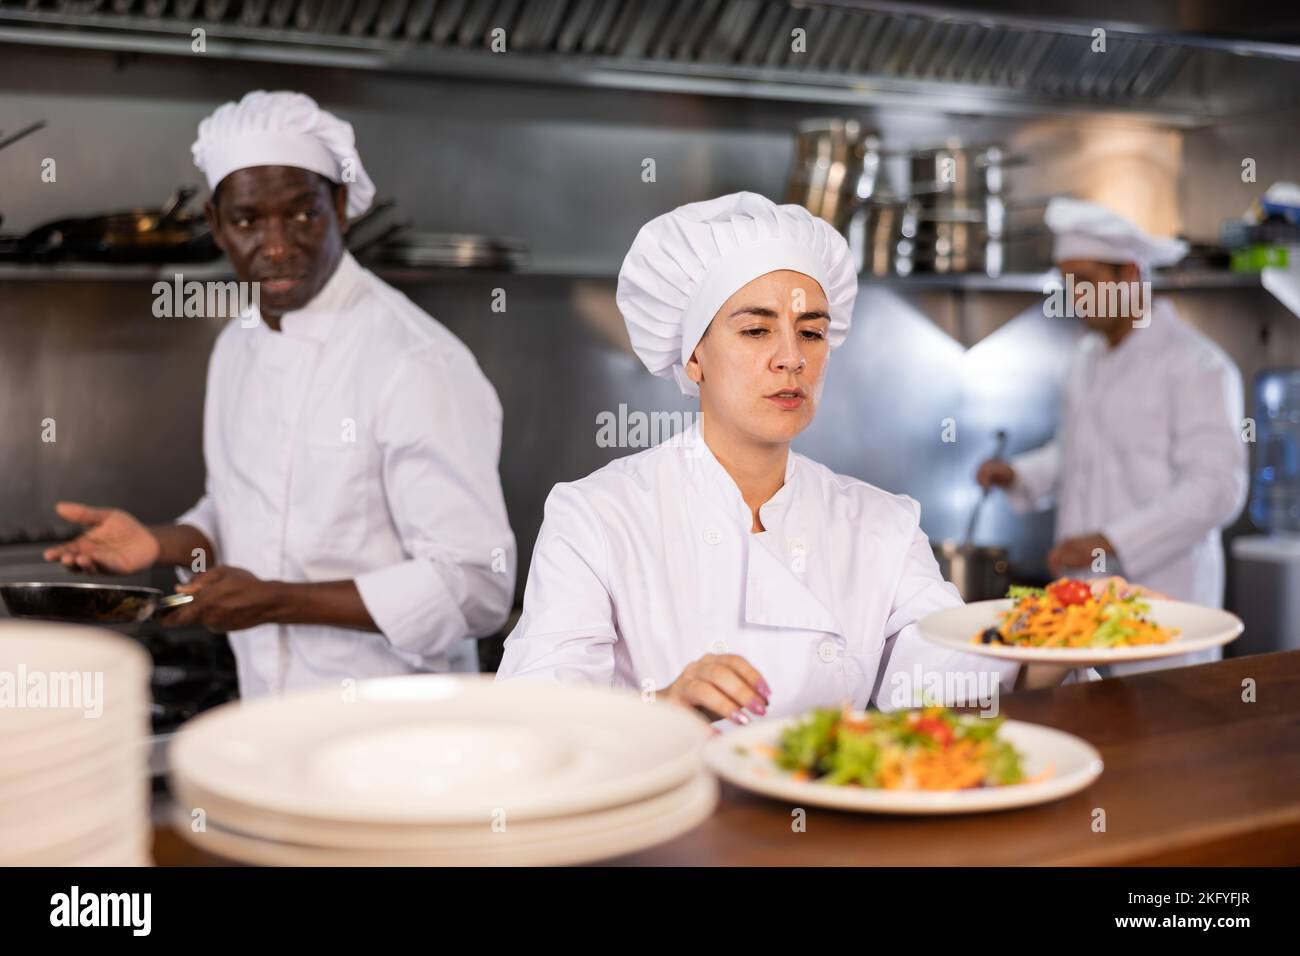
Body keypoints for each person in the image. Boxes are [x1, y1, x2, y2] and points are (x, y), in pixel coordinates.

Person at [497, 192, 1066, 725]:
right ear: (694, 357)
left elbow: (937, 671)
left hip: (830, 824)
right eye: (755, 330)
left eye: (811, 333)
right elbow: (539, 715)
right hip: (669, 820)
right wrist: (663, 709)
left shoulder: (880, 524)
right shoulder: (598, 515)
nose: (791, 359)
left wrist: (1045, 641)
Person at [44, 91, 515, 696]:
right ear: (215, 224)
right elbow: (240, 512)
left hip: (397, 728)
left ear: (340, 207)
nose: (275, 245)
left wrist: (279, 601)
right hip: (269, 713)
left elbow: (478, 586)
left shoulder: (416, 361)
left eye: (301, 214)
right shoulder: (237, 345)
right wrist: (157, 543)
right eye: (247, 220)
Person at [977, 198, 1247, 675]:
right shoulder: (1085, 360)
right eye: (1068, 285)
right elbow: (1078, 454)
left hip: (1166, 601)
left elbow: (1216, 489)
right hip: (1082, 606)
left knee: (1164, 738)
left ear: (1130, 274)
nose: (1075, 298)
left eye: (1086, 283)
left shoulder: (1198, 365)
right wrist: (1018, 474)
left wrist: (1111, 540)